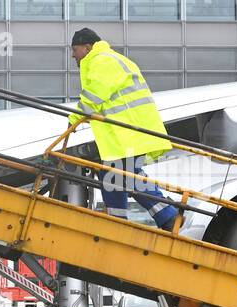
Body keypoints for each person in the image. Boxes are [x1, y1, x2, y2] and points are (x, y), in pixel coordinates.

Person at [67, 28, 178, 230]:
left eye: (75, 49)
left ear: (87, 47)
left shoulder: (102, 61)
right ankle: (118, 222)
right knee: (111, 174)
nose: (73, 55)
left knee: (124, 175)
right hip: (128, 132)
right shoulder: (111, 59)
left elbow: (94, 97)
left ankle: (168, 214)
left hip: (128, 132)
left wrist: (74, 119)